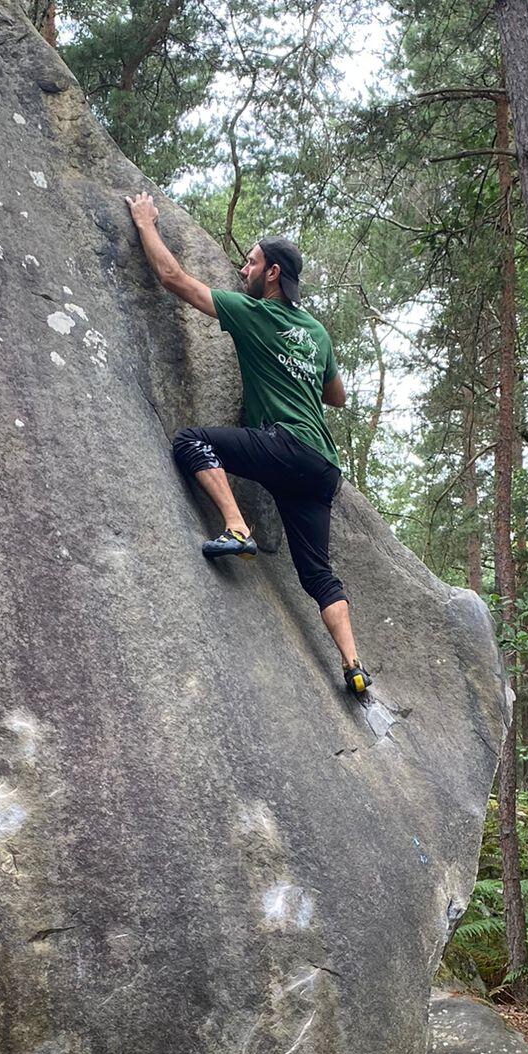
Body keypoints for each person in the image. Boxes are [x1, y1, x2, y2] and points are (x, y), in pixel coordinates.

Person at [125, 191, 371, 698]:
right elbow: (338, 396)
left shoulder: (254, 313)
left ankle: (237, 527)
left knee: (192, 441)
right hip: (322, 466)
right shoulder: (316, 332)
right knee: (318, 574)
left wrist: (146, 223)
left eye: (251, 262)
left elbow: (175, 280)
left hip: (283, 446)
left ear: (273, 274)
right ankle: (354, 666)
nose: (243, 270)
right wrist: (299, 368)